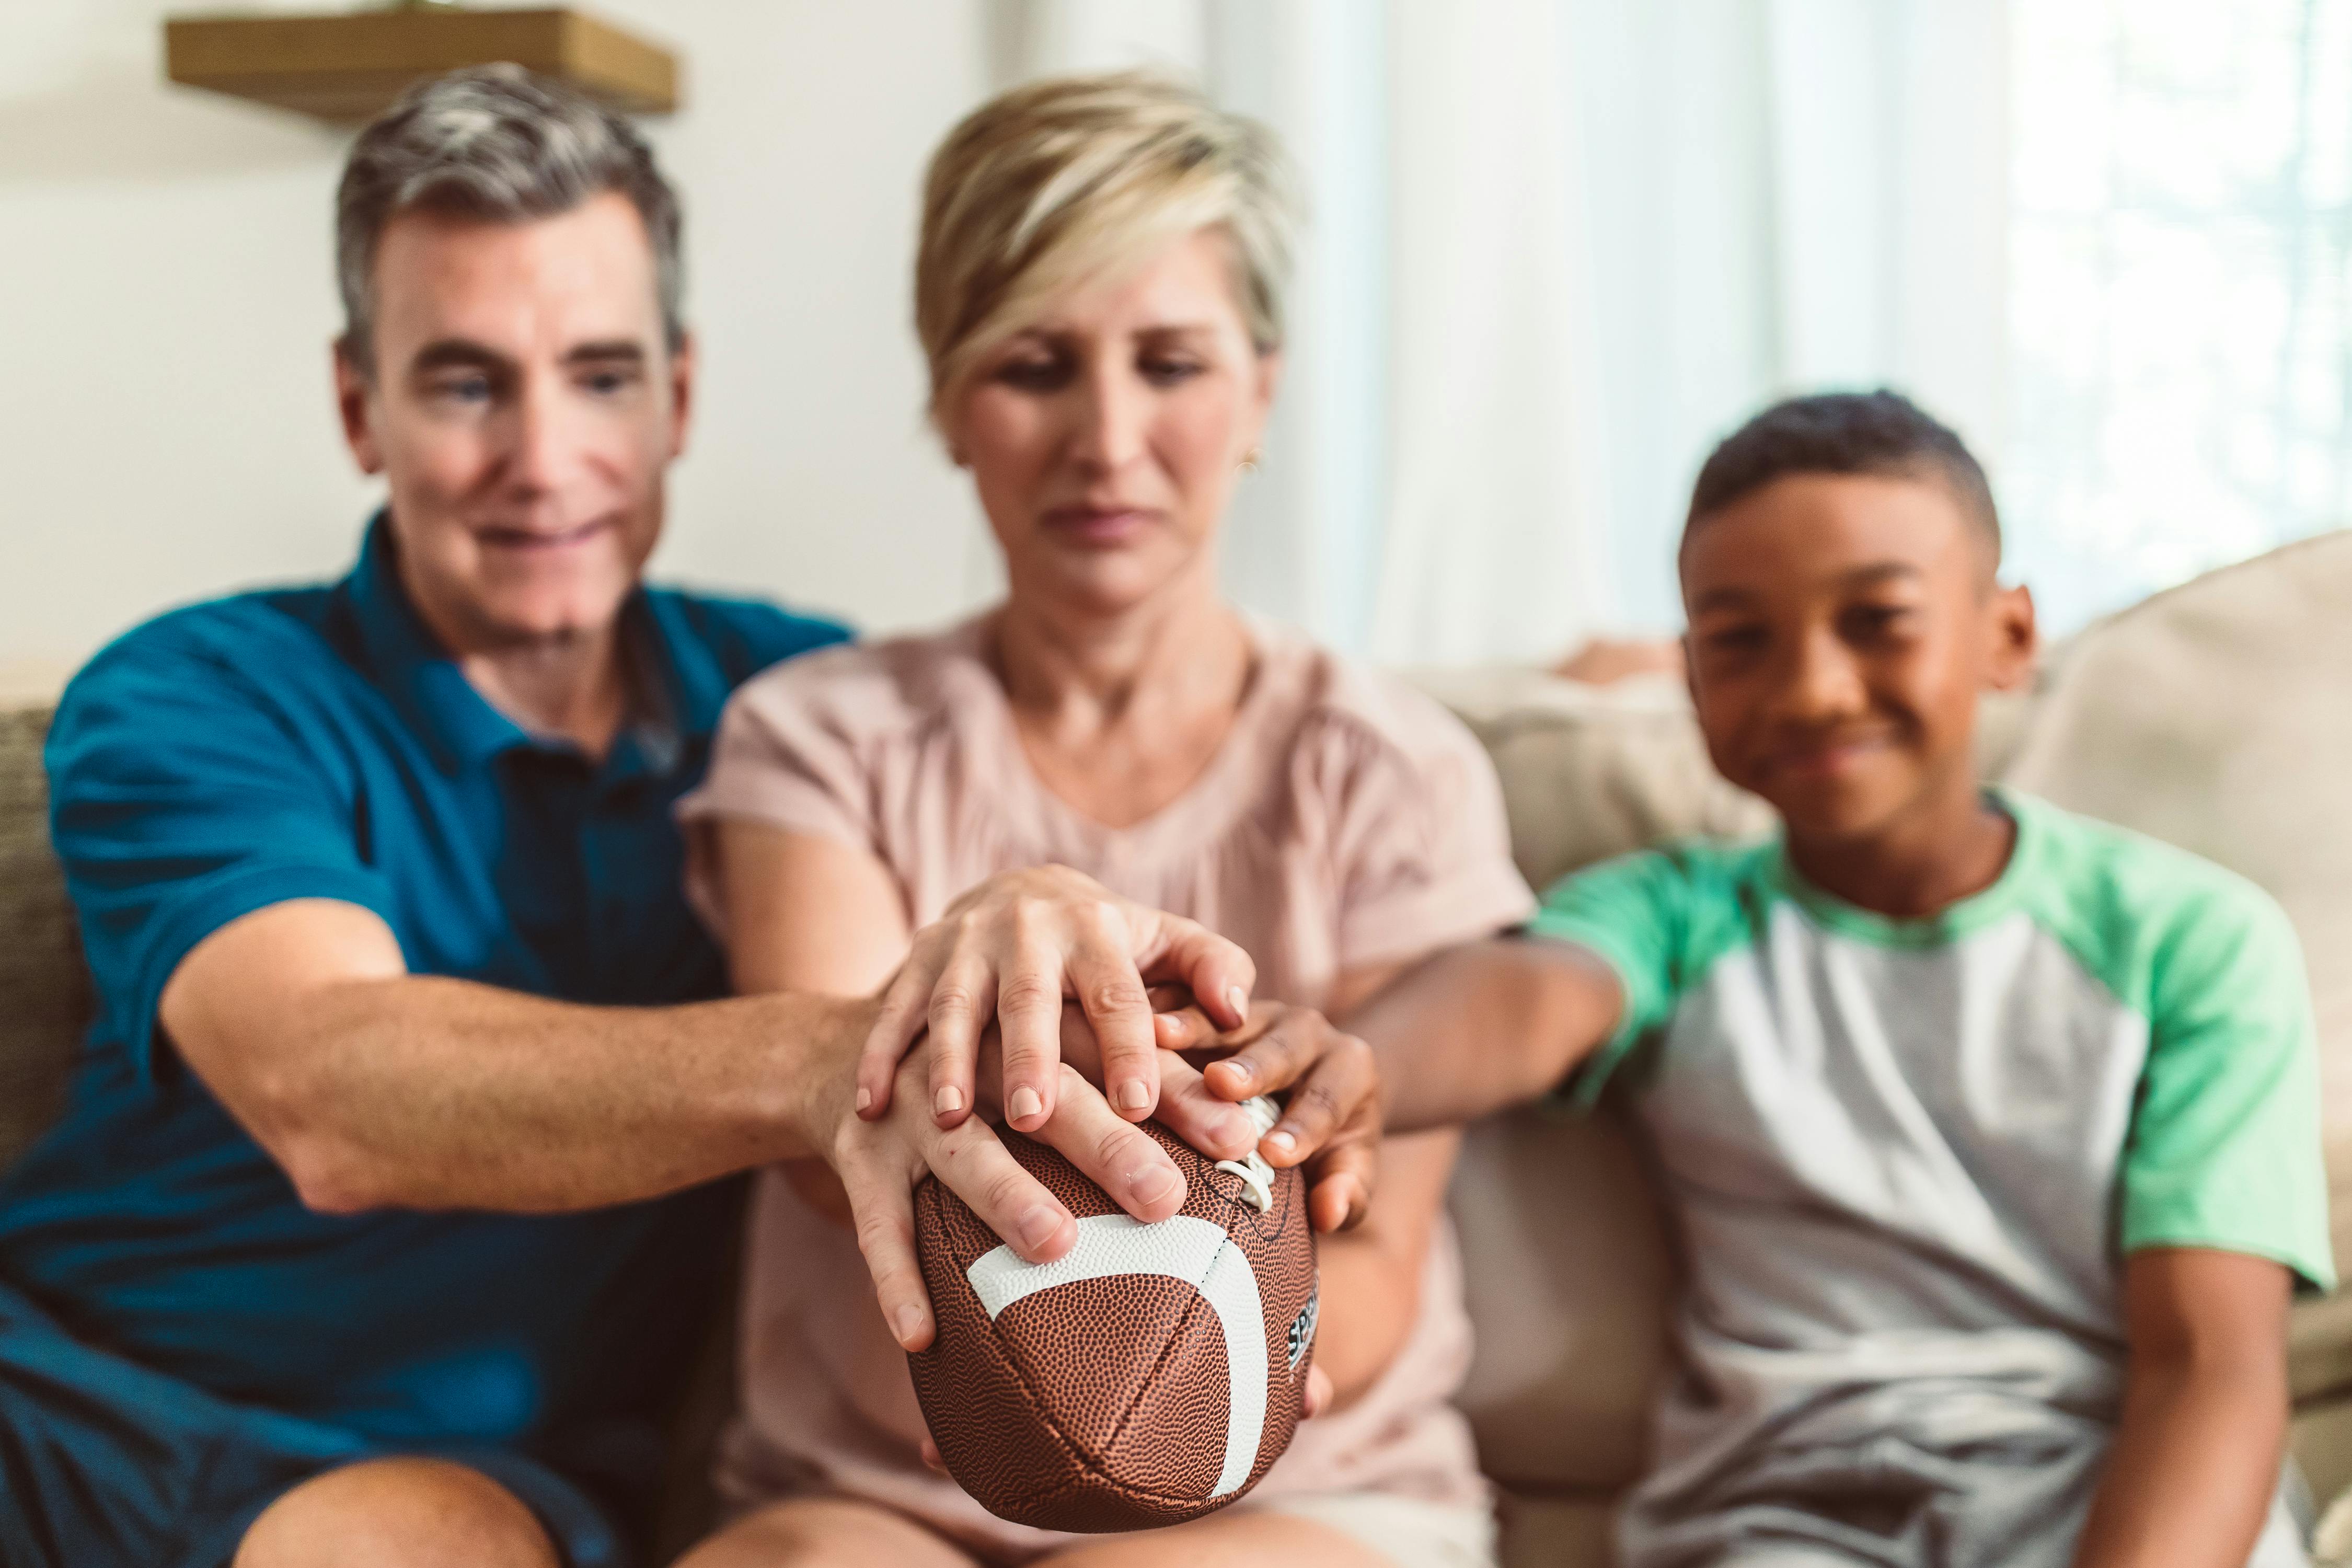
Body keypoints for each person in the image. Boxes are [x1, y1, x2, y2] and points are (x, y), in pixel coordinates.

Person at [0, 67, 1374, 1568]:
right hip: (66, 1406)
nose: (544, 460)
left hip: (471, 1484)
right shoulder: (196, 693)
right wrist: (832, 1058)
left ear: (680, 396)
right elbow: (325, 1089)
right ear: (359, 407)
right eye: (465, 382)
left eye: (599, 376)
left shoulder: (800, 713)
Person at [672, 73, 1535, 1568]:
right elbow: (831, 1146)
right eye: (1034, 365)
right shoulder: (814, 740)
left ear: (1259, 392)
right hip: (875, 1493)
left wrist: (1189, 1392)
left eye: (1171, 362)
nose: (1108, 437)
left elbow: (1377, 1250)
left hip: (1297, 1484)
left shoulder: (1392, 768)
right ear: (948, 401)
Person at [1330, 390, 2333, 1567]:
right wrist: (1358, 1065)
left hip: (2101, 1500)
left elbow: (2212, 1368)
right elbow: (1527, 1002)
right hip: (1781, 1524)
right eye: (1741, 641)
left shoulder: (2190, 941)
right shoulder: (1667, 914)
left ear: (2007, 638)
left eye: (1878, 621)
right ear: (1692, 680)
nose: (1813, 688)